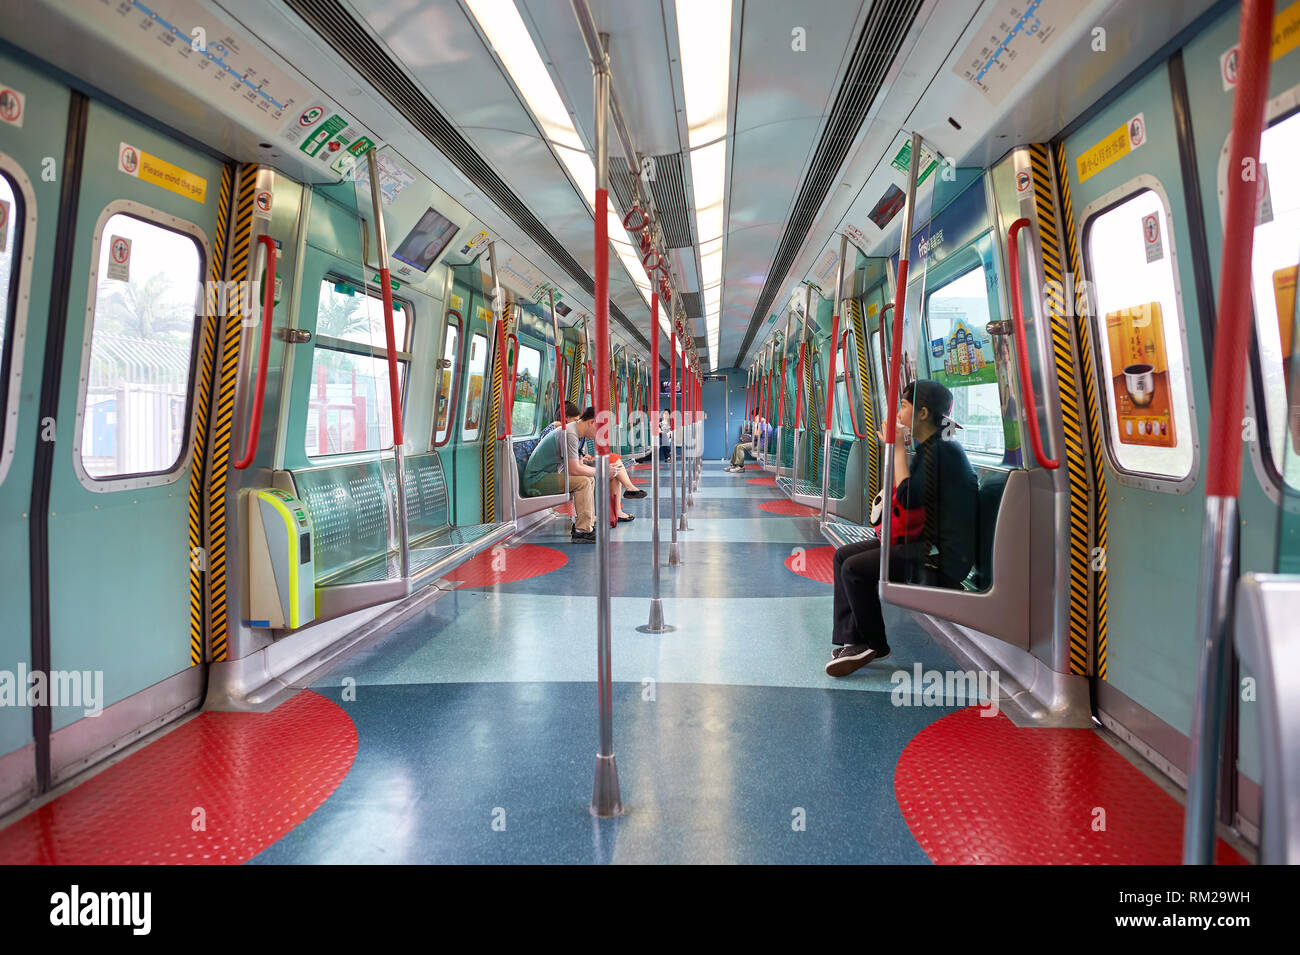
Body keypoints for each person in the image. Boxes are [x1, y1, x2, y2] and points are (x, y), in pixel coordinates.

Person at [825, 379, 978, 677]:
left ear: (922, 413)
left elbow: (909, 498)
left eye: (904, 406)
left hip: (942, 557)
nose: (897, 413)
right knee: (843, 556)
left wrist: (894, 450)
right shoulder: (930, 449)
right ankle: (853, 639)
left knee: (855, 569)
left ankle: (874, 644)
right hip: (924, 543)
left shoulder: (942, 452)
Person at [522, 406, 599, 542]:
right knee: (584, 482)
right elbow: (574, 469)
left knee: (589, 478)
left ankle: (589, 523)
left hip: (548, 475)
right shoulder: (570, 433)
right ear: (592, 422)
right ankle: (582, 530)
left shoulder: (577, 434)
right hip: (536, 480)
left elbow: (580, 465)